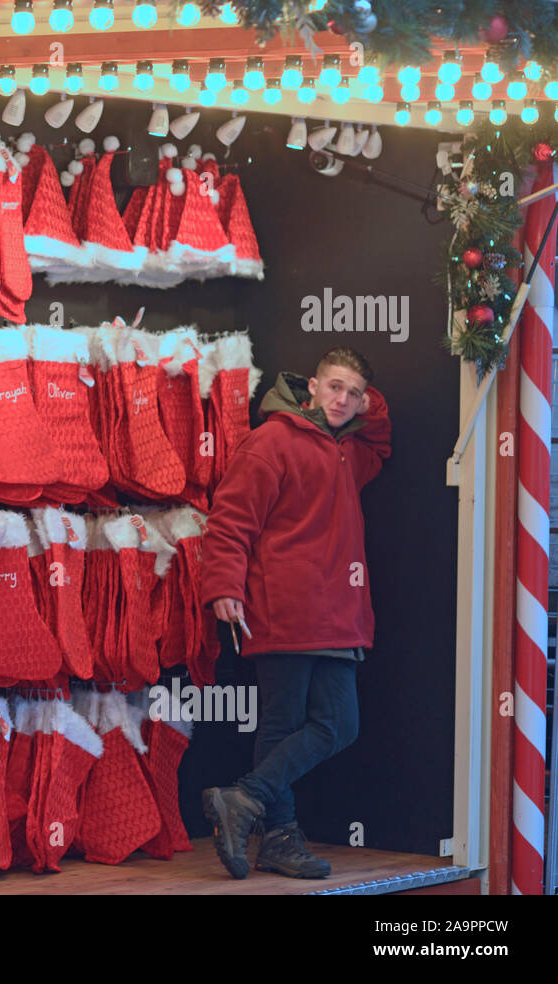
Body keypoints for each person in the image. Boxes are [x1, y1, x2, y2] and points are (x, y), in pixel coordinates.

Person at [198, 346, 392, 879]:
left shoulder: (351, 451)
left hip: (340, 611)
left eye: (354, 393)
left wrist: (363, 404)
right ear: (310, 385)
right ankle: (279, 838)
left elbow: (381, 434)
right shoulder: (272, 441)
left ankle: (245, 799)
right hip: (285, 605)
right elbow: (231, 519)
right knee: (282, 725)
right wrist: (223, 585)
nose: (343, 399)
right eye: (334, 387)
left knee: (339, 724)